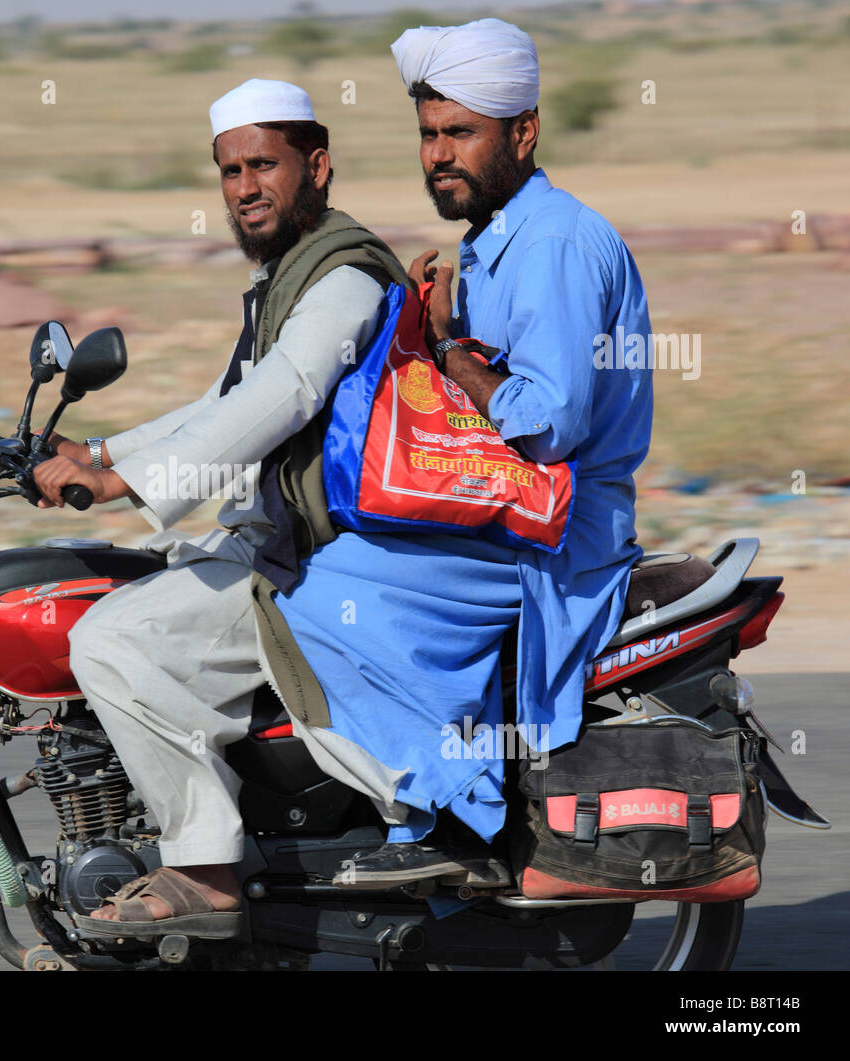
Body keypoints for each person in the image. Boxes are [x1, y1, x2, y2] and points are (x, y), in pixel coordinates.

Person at [262, 17, 656, 888]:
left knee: (320, 599)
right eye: (429, 135)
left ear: (523, 132)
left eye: (461, 134)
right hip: (510, 508)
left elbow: (549, 421)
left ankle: (447, 812)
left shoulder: (550, 245)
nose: (440, 154)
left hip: (553, 535)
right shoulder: (494, 238)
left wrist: (445, 353)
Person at [31, 79, 411, 934]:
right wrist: (96, 453)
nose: (245, 186)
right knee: (107, 589)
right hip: (277, 535)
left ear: (316, 165)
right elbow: (223, 397)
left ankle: (204, 865)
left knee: (109, 637)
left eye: (264, 164)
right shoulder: (289, 277)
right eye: (231, 169)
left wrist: (135, 483)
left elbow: (284, 392)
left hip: (316, 557)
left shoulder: (343, 276)